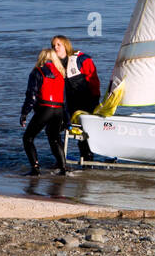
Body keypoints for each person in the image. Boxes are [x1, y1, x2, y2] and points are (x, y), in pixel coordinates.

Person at [20, 48, 69, 176]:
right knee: (55, 139)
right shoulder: (60, 74)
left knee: (28, 138)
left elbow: (31, 95)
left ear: (41, 58)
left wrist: (24, 113)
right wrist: (67, 119)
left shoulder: (37, 72)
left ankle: (35, 169)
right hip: (58, 110)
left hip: (45, 109)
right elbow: (64, 100)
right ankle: (63, 168)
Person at [52, 35, 101, 161]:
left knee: (85, 132)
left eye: (58, 45)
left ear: (66, 46)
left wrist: (95, 100)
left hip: (86, 101)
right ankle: (61, 160)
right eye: (53, 46)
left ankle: (88, 158)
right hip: (67, 103)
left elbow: (93, 80)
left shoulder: (81, 59)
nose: (55, 47)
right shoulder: (54, 64)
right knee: (55, 130)